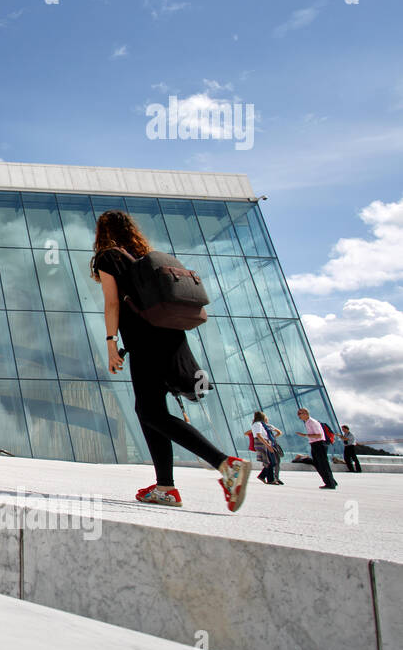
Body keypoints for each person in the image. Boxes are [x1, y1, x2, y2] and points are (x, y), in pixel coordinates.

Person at [92, 209, 249, 511]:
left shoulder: (108, 257)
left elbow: (112, 302)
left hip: (145, 343)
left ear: (102, 232)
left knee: (150, 411)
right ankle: (166, 487)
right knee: (149, 411)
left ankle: (226, 465)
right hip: (173, 339)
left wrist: (111, 343)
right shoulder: (144, 255)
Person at [295, 407, 337, 489]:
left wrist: (305, 435)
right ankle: (331, 481)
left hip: (319, 444)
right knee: (318, 464)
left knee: (323, 464)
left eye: (299, 413)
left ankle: (330, 484)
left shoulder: (312, 422)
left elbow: (319, 435)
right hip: (314, 444)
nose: (298, 416)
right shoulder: (307, 422)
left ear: (305, 413)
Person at [250, 411, 284, 486]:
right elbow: (259, 435)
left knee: (271, 461)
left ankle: (263, 476)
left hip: (265, 443)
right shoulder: (257, 424)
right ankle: (270, 479)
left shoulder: (260, 424)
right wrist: (268, 445)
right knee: (271, 461)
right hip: (263, 444)